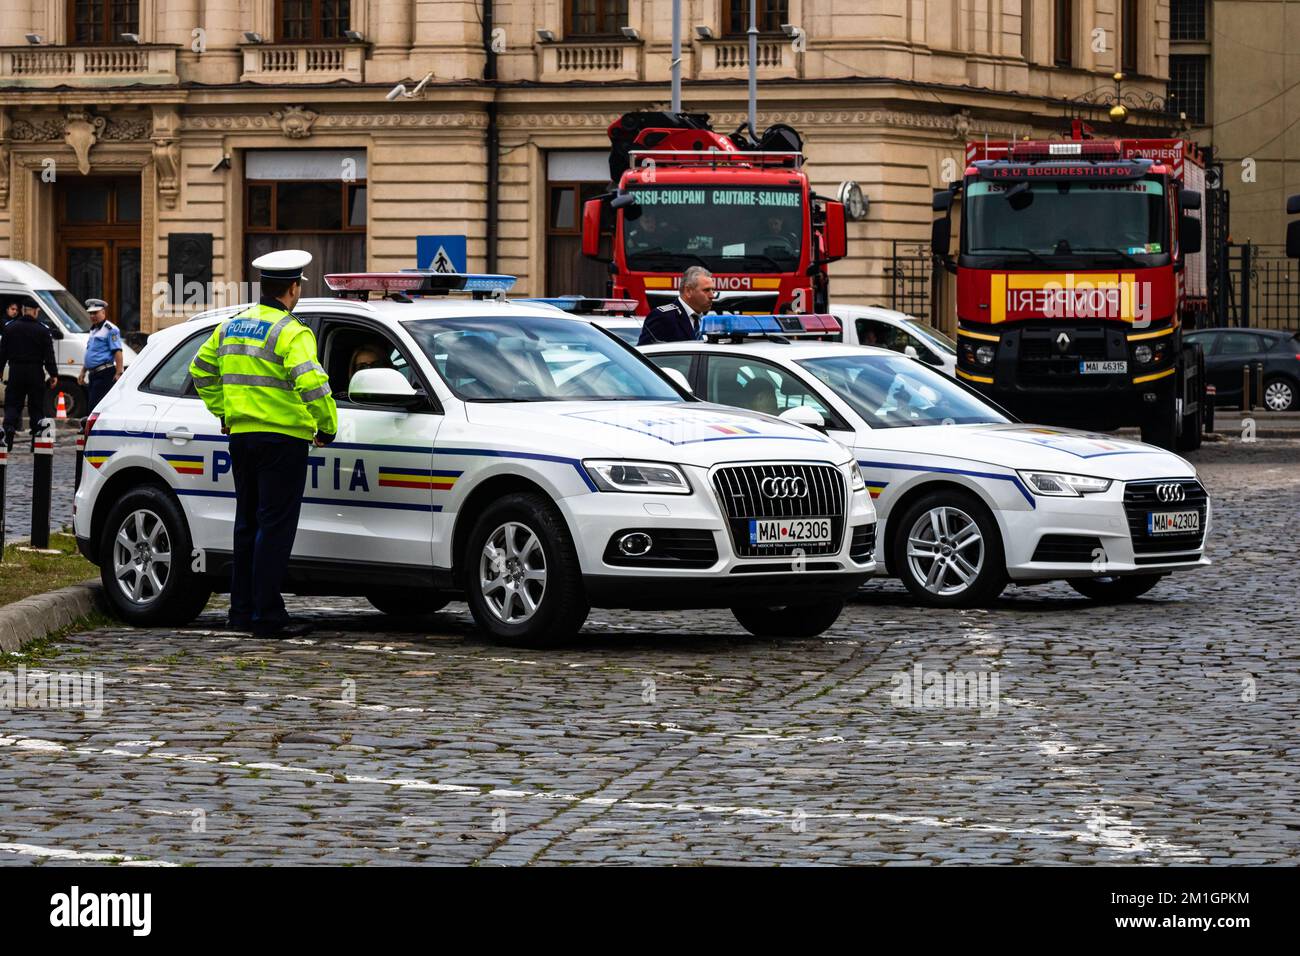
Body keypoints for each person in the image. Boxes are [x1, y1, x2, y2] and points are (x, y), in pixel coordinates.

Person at [190, 250, 338, 638]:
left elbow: (200, 370)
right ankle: (268, 617)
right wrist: (327, 425)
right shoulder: (292, 332)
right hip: (283, 440)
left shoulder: (232, 325)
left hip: (242, 438)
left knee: (248, 523)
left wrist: (225, 412)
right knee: (274, 528)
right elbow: (312, 383)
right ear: (293, 288)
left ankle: (241, 612)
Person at [0, 299, 58, 450]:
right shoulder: (43, 330)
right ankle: (37, 441)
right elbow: (49, 355)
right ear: (35, 311)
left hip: (16, 371)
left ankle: (8, 434)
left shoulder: (10, 328)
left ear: (23, 310)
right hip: (35, 372)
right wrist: (53, 374)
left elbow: (2, 353)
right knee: (36, 407)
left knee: (12, 404)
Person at [637, 266, 715, 345]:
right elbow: (645, 353)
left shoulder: (705, 320)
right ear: (688, 291)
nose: (712, 296)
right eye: (706, 290)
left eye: (713, 290)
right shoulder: (662, 317)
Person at [77, 298, 124, 412]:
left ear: (103, 312)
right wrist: (83, 371)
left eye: (95, 313)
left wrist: (119, 372)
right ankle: (91, 429)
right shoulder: (93, 330)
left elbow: (117, 351)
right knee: (92, 405)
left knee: (95, 405)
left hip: (104, 374)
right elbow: (90, 352)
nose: (93, 316)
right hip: (93, 374)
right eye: (90, 313)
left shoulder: (111, 329)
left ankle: (92, 429)